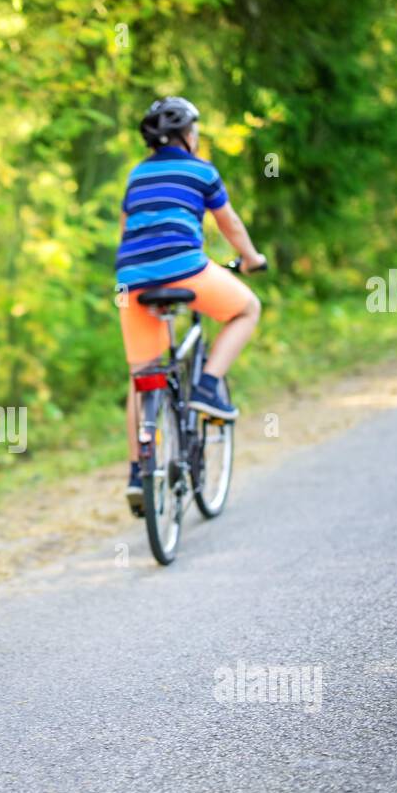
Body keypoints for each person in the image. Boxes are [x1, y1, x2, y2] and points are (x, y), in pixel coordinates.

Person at [116, 96, 266, 511]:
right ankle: (208, 385)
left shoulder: (136, 175)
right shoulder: (201, 170)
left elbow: (126, 230)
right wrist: (252, 259)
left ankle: (136, 471)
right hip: (187, 271)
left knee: (142, 374)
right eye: (195, 129)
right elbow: (228, 222)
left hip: (131, 282)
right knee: (246, 308)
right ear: (185, 134)